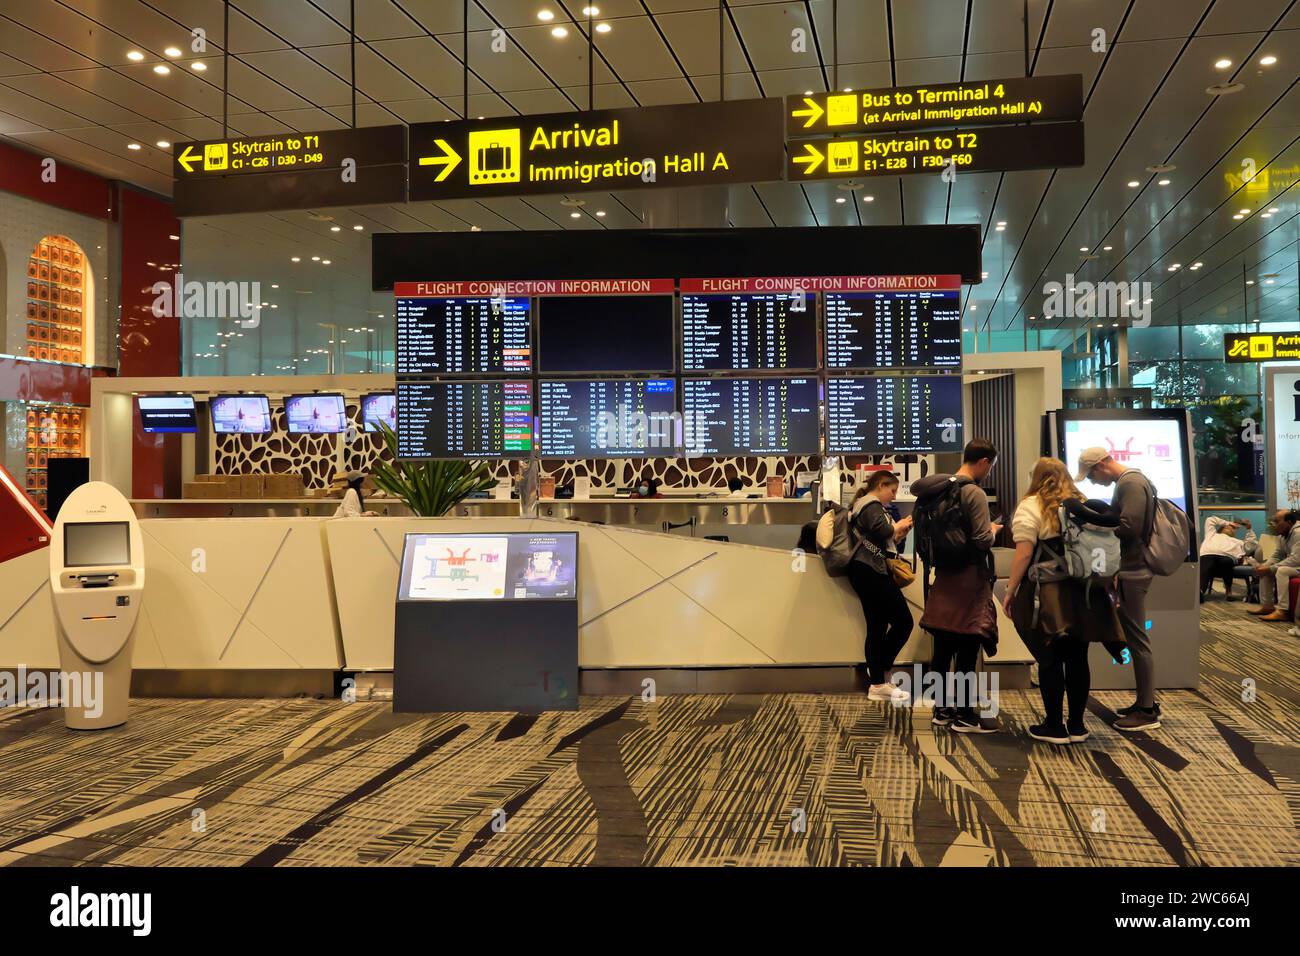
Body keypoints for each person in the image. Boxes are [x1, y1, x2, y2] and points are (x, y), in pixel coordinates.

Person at [1003, 458, 1123, 745]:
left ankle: (1054, 726)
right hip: (1085, 591)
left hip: (1050, 592)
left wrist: (1010, 589)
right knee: (1078, 657)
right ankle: (1078, 725)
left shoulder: (1032, 505)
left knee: (1050, 658)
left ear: (1036, 477)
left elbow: (1023, 553)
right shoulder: (1081, 501)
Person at [913, 438, 1003, 733]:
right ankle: (965, 715)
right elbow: (980, 540)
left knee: (943, 645)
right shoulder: (972, 493)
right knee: (967, 644)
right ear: (984, 462)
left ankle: (942, 709)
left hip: (943, 576)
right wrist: (992, 530)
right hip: (969, 576)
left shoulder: (938, 491)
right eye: (990, 466)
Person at [1075, 446, 1161, 732]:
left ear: (1101, 464)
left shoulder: (1131, 483)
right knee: (1136, 638)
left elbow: (1129, 526)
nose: (1092, 481)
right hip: (1131, 567)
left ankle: (1147, 710)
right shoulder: (1130, 482)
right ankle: (1143, 701)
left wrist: (1092, 518)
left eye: (1091, 475)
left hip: (1135, 569)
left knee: (1137, 640)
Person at [846, 471, 914, 703]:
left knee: (877, 625)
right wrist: (900, 525)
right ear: (881, 485)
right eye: (892, 490)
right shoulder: (871, 505)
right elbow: (884, 531)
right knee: (903, 621)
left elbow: (883, 539)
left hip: (866, 570)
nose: (894, 496)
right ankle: (878, 673)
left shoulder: (863, 505)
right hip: (870, 570)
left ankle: (877, 680)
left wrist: (898, 532)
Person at [1247, 509, 1300, 623]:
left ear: (1289, 522)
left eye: (1277, 521)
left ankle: (1282, 611)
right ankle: (1267, 607)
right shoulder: (1283, 536)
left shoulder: (1298, 533)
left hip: (1298, 564)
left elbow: (1296, 559)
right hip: (1297, 566)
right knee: (1265, 570)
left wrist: (1271, 568)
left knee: (1282, 571)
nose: (1274, 525)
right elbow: (1277, 555)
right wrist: (1265, 566)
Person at [1198, 516, 1257, 602]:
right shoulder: (1211, 534)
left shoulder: (1237, 541)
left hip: (1227, 558)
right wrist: (1228, 523)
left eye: (1233, 528)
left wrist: (1249, 529)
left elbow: (1251, 545)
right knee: (1207, 563)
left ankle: (1228, 592)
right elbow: (1210, 520)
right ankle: (1200, 592)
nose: (1231, 528)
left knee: (1226, 562)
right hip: (1208, 555)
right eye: (1228, 527)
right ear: (1221, 528)